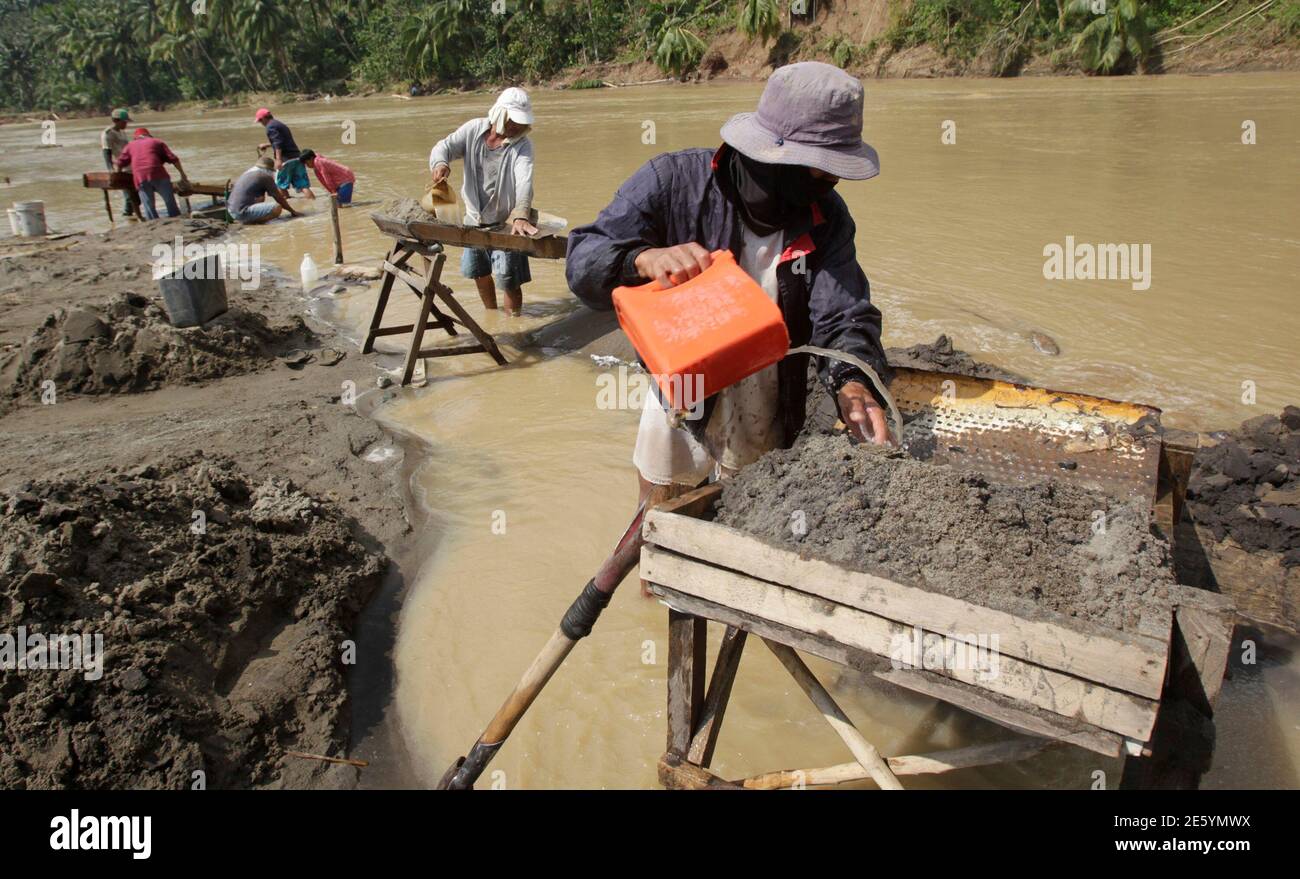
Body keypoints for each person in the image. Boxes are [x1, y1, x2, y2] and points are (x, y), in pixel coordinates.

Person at [565, 62, 891, 509]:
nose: (832, 182)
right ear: (779, 154)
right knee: (659, 522)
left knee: (745, 513)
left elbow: (844, 314)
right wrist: (643, 258)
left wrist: (852, 383)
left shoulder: (828, 218)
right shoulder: (671, 183)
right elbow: (582, 261)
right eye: (821, 170)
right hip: (682, 388)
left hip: (769, 395)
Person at [428, 87, 538, 316]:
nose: (515, 127)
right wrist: (441, 163)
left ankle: (513, 323)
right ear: (499, 113)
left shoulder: (523, 145)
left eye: (520, 122)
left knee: (509, 279)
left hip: (506, 221)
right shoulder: (474, 130)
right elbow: (444, 147)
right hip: (473, 217)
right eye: (512, 120)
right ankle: (491, 315)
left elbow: (524, 181)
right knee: (478, 271)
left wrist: (520, 215)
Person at [115, 127, 188, 220]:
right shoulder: (157, 142)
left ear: (135, 138)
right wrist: (182, 174)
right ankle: (176, 220)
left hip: (140, 177)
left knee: (148, 205)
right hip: (158, 174)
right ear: (148, 135)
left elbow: (120, 162)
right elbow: (173, 159)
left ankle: (153, 223)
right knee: (169, 201)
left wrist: (118, 176)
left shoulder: (130, 145)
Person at [254, 108, 315, 199]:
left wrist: (278, 159)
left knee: (280, 185)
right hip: (297, 158)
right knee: (303, 186)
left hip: (285, 160)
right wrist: (267, 145)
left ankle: (289, 206)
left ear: (263, 119)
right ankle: (313, 204)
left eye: (260, 121)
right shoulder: (279, 124)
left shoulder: (270, 127)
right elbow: (281, 141)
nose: (261, 123)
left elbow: (278, 143)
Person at [227, 157, 301, 225]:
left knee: (261, 197)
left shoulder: (247, 173)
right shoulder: (264, 176)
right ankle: (253, 224)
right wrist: (292, 211)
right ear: (268, 169)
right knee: (276, 207)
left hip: (231, 210)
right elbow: (279, 198)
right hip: (241, 212)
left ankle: (249, 220)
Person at [100, 108, 134, 217]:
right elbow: (106, 151)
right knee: (129, 193)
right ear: (116, 120)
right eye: (124, 122)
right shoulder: (108, 134)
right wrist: (110, 169)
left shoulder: (122, 132)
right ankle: (127, 214)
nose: (126, 124)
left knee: (134, 191)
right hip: (121, 166)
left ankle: (130, 215)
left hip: (131, 165)